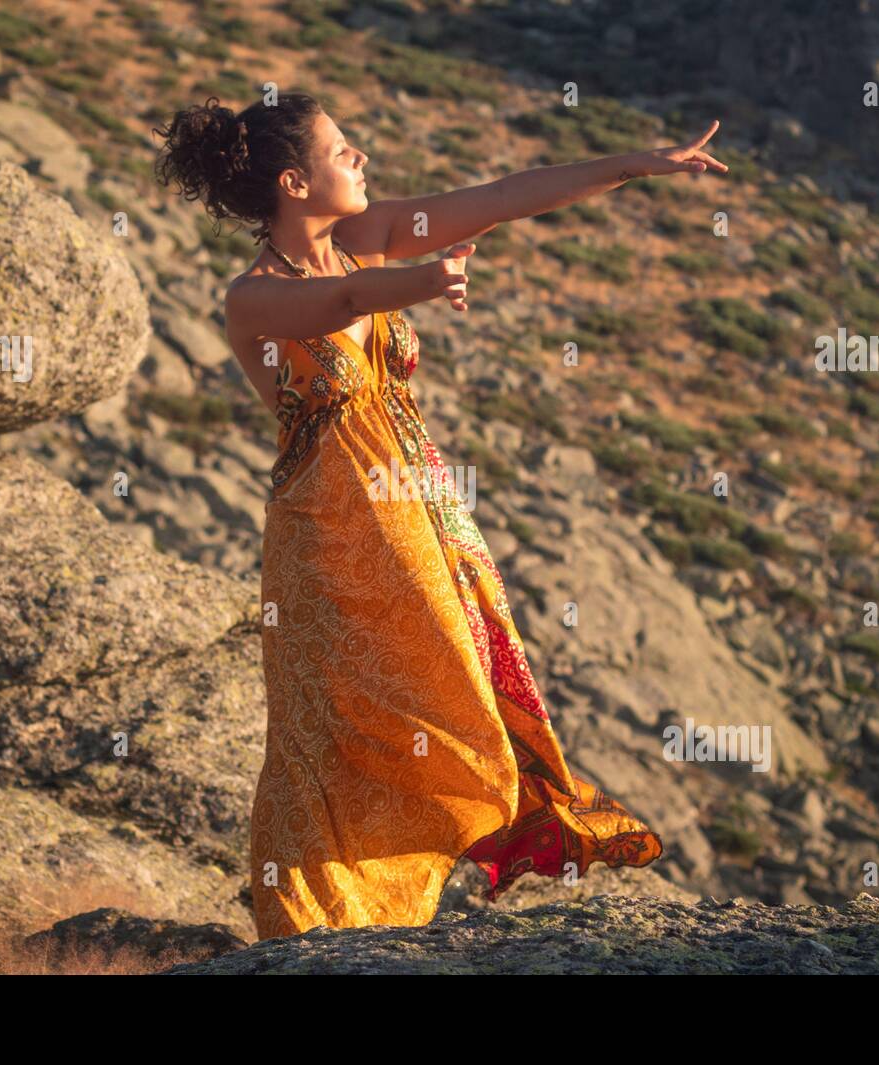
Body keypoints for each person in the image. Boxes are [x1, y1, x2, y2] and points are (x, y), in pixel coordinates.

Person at [153, 91, 727, 941]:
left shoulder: (362, 239)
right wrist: (418, 282)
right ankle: (301, 935)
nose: (362, 162)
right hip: (331, 539)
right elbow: (341, 308)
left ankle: (375, 921)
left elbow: (499, 197)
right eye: (342, 152)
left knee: (465, 700)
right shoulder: (254, 299)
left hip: (417, 514)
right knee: (338, 735)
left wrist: (634, 166)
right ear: (292, 181)